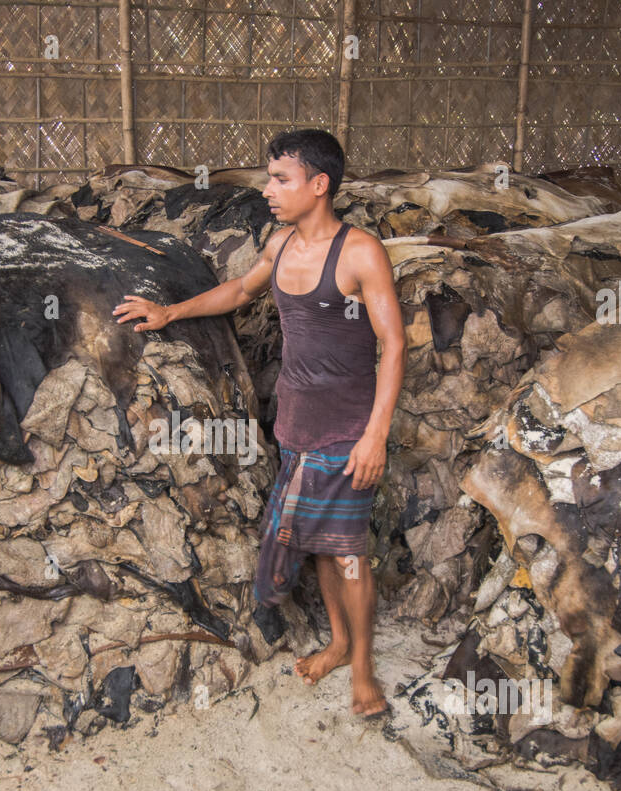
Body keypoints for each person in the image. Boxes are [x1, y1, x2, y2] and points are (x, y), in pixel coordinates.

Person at [113, 129, 406, 717]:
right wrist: (170, 311)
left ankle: (365, 671)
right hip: (295, 424)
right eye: (269, 177)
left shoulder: (360, 252)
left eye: (281, 179)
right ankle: (341, 643)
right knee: (323, 546)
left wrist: (375, 434)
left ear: (319, 186)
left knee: (348, 550)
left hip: (349, 430)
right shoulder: (278, 245)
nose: (268, 189)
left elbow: (394, 344)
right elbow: (240, 291)